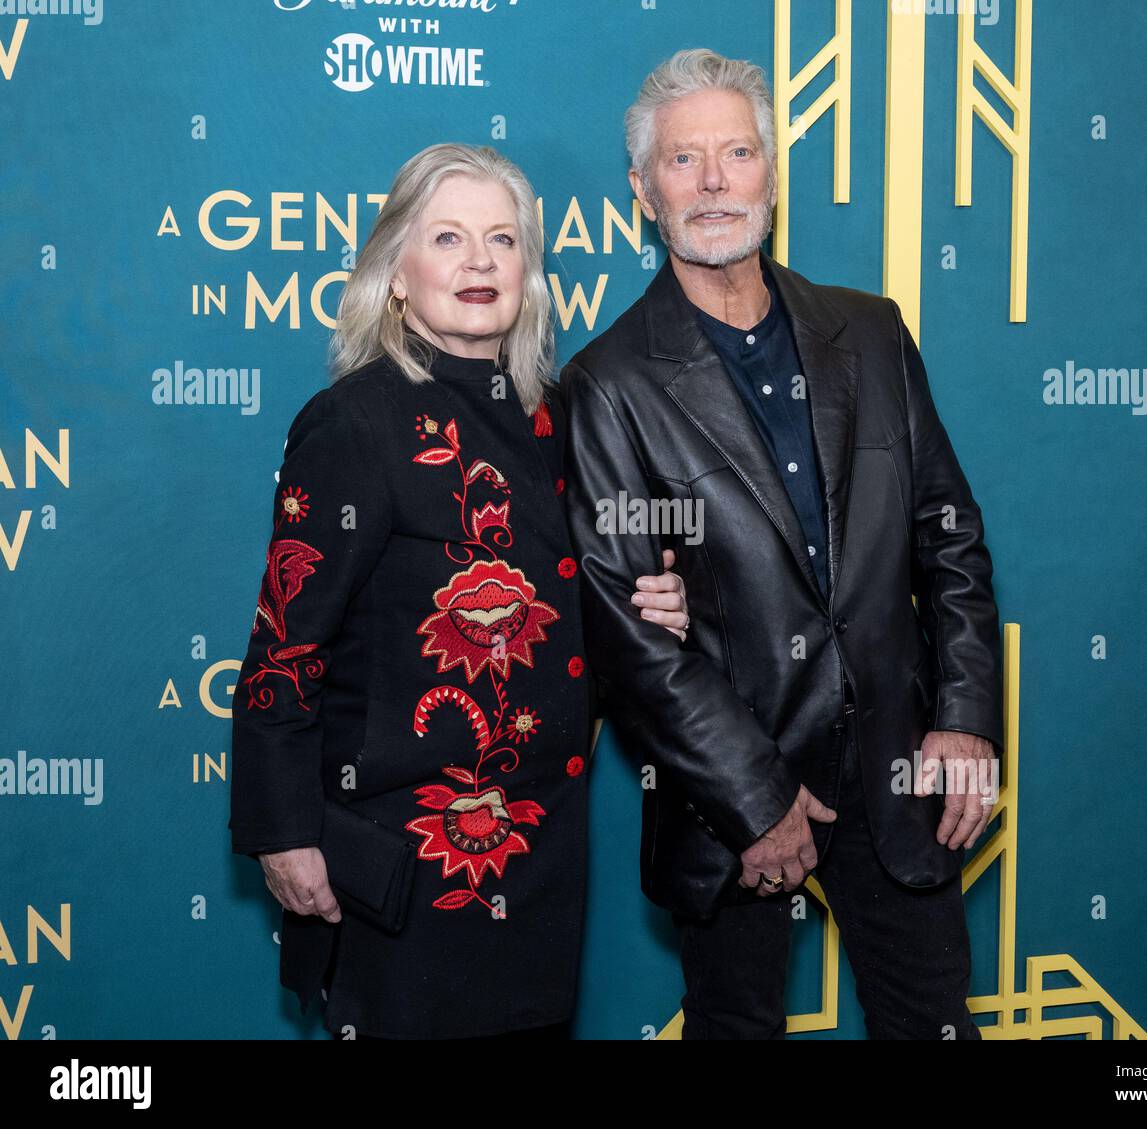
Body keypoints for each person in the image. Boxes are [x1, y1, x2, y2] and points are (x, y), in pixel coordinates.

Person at [561, 49, 1004, 1039]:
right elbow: (635, 634)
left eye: (737, 152)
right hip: (735, 804)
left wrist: (967, 718)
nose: (713, 182)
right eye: (682, 161)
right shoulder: (610, 386)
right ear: (641, 191)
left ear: (771, 171)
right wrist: (756, 800)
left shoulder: (873, 333)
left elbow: (949, 534)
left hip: (901, 778)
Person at [227, 142, 689, 1041]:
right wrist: (285, 838)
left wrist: (650, 612)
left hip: (543, 864)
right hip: (408, 871)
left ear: (529, 272)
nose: (480, 260)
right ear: (396, 273)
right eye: (448, 237)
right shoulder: (351, 423)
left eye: (503, 240)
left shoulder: (560, 421)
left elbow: (565, 632)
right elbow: (284, 654)